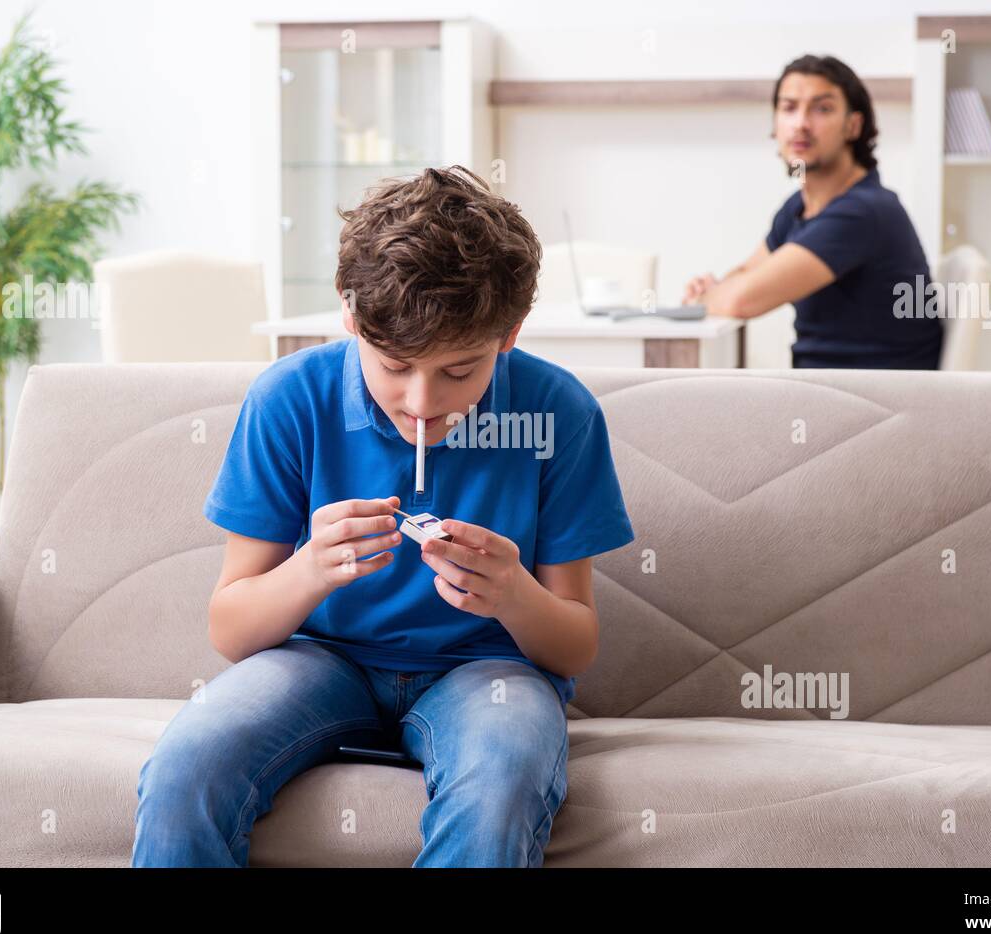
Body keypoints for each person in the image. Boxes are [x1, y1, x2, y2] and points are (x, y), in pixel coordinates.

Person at [131, 166, 635, 867]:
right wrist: (310, 570)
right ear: (349, 314)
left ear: (510, 333)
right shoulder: (289, 400)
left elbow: (575, 645)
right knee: (189, 765)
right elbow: (231, 624)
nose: (423, 402)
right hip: (318, 659)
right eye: (394, 363)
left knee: (500, 781)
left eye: (459, 371)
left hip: (490, 668)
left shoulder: (560, 413)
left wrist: (513, 594)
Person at [683, 54, 944, 369]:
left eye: (822, 109)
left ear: (853, 125)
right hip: (830, 393)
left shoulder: (863, 212)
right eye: (789, 108)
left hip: (874, 402)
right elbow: (745, 276)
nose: (801, 124)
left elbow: (741, 300)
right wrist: (716, 292)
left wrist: (706, 298)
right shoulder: (799, 207)